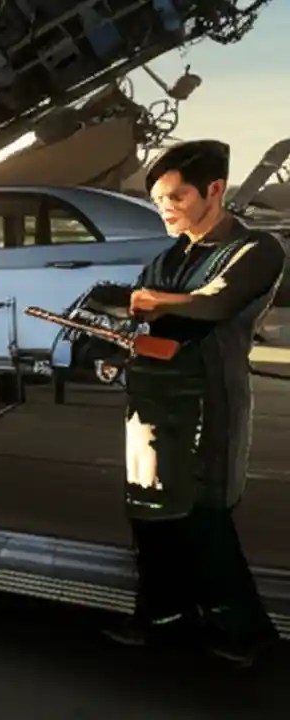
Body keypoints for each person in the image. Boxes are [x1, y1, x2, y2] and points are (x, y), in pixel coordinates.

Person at [91, 140, 286, 666]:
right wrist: (109, 341)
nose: (166, 209)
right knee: (149, 515)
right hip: (150, 402)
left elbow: (215, 304)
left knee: (204, 517)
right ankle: (162, 617)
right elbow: (137, 322)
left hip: (207, 401)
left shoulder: (256, 250)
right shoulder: (169, 255)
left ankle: (244, 631)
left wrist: (148, 301)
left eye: (176, 197)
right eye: (159, 201)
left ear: (214, 190)